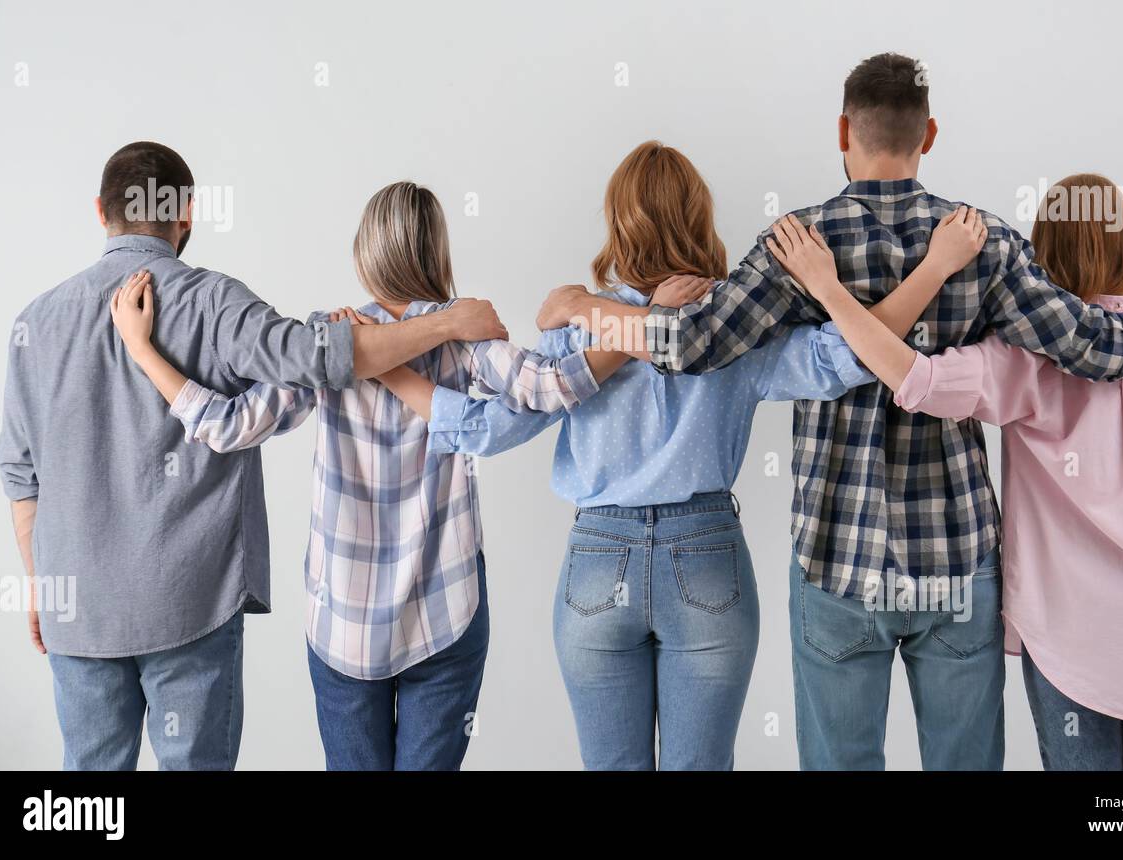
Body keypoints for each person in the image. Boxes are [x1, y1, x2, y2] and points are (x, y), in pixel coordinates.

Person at [534, 55, 1123, 770]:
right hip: (955, 559)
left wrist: (591, 309)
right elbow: (1090, 345)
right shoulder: (983, 241)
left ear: (841, 131)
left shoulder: (797, 246)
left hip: (835, 558)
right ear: (930, 134)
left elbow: (689, 344)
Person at [377, 141, 989, 770]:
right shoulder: (738, 327)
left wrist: (381, 367)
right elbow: (851, 356)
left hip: (597, 563)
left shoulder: (576, 328)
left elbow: (489, 430)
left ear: (618, 224)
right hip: (708, 560)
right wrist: (925, 272)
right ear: (700, 220)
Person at [108, 179, 699, 770]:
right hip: (446, 611)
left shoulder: (329, 342)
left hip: (342, 621)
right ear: (436, 250)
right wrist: (646, 319)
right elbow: (552, 386)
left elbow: (226, 426)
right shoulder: (465, 335)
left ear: (366, 252)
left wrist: (143, 350)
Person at [0, 143, 504, 771]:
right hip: (191, 600)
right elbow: (320, 358)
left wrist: (40, 582)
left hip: (80, 609)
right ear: (185, 213)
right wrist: (447, 324)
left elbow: (21, 474)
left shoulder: (35, 323)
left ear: (101, 212)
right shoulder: (213, 302)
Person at [764, 177, 1123, 771]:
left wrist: (829, 290)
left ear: (1044, 255)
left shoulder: (1023, 364)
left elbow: (911, 378)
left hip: (1072, 646)